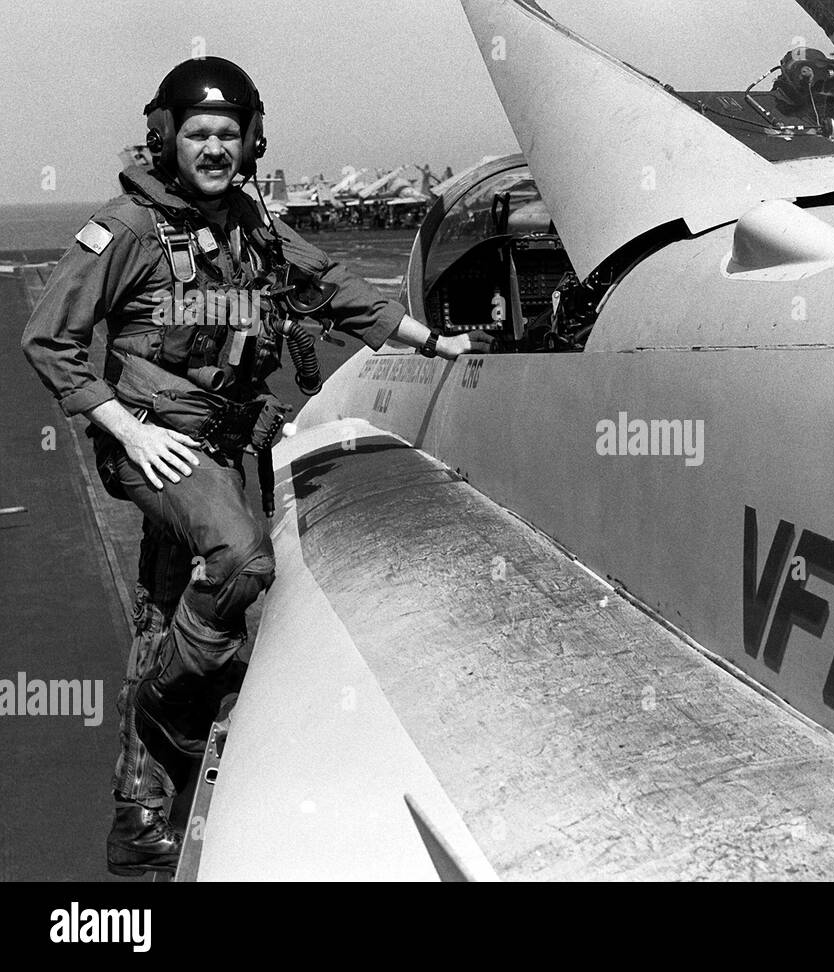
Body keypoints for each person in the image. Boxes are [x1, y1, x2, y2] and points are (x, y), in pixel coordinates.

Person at [20, 56, 491, 877]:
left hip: (232, 441)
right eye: (197, 133)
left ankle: (139, 814)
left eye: (228, 135)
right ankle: (167, 715)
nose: (213, 147)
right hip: (160, 441)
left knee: (171, 614)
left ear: (251, 142)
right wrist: (126, 431)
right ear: (166, 139)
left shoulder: (251, 223)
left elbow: (337, 289)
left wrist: (437, 341)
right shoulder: (127, 229)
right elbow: (48, 339)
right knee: (240, 561)